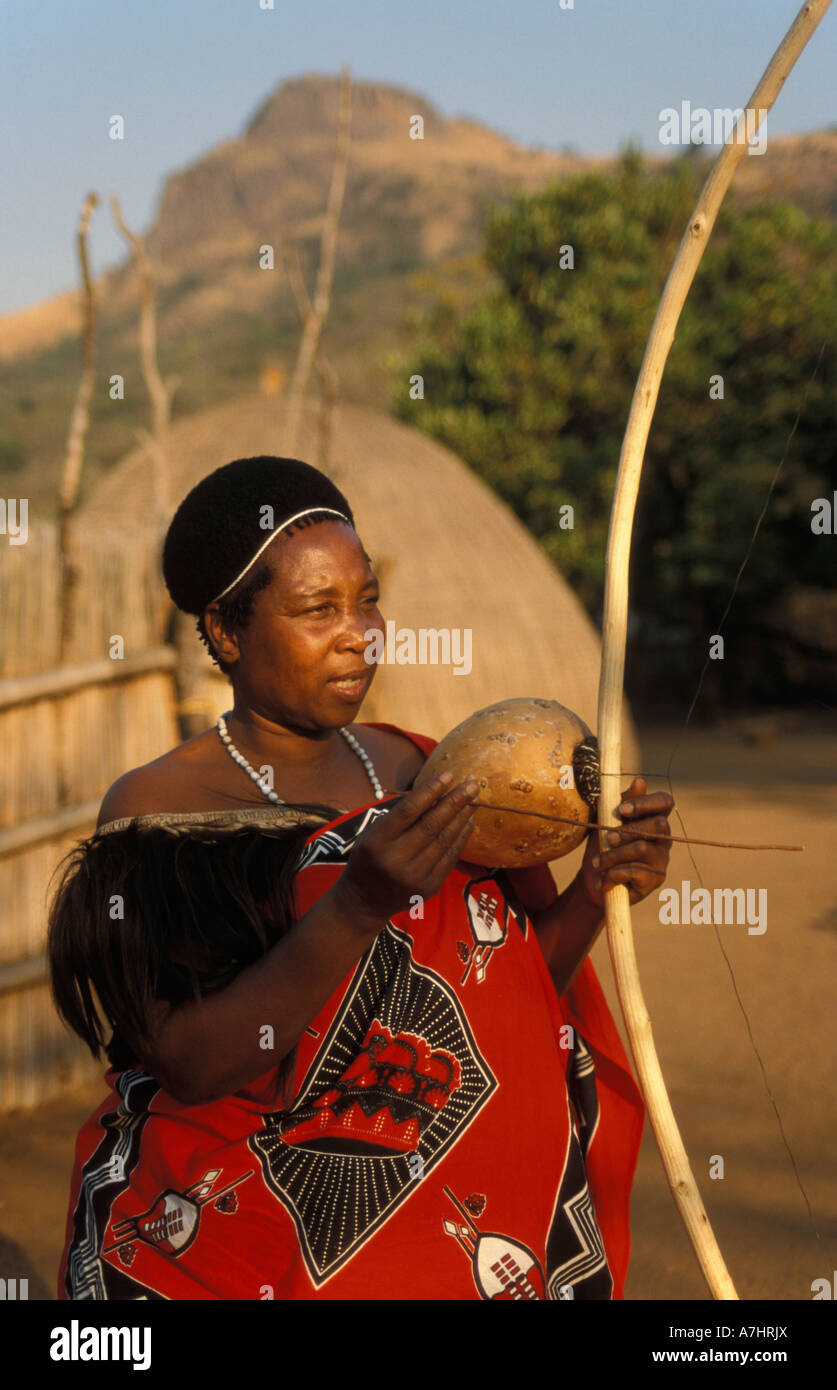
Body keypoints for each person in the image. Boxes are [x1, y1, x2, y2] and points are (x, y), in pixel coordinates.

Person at [48, 455, 673, 1301]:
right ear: (226, 632)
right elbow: (191, 1064)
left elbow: (501, 1000)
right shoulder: (163, 815)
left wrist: (594, 894)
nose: (360, 633)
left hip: (470, 1241)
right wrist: (357, 905)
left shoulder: (420, 766)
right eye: (318, 609)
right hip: (251, 1247)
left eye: (368, 598)